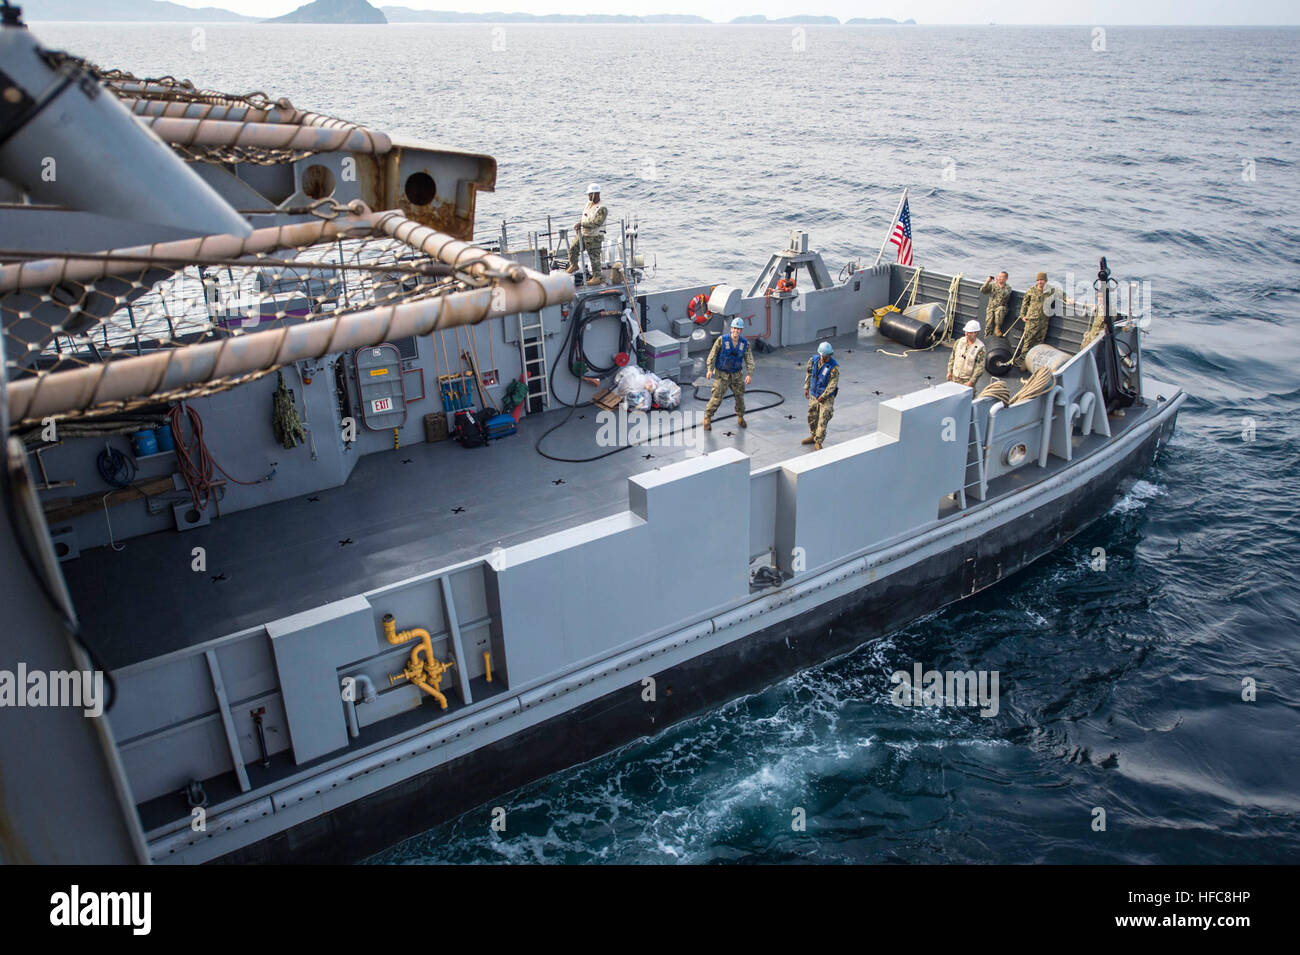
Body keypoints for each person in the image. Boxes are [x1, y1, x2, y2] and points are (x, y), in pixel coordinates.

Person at [703, 317, 754, 430]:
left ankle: (740, 416)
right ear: (731, 328)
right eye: (735, 328)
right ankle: (707, 417)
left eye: (739, 329)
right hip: (722, 375)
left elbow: (749, 358)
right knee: (717, 397)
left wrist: (749, 374)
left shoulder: (744, 344)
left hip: (736, 375)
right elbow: (713, 354)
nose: (736, 331)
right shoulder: (722, 340)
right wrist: (710, 369)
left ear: (741, 330)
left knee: (740, 397)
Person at [566, 183, 608, 284]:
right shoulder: (588, 204)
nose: (589, 196)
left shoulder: (602, 208)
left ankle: (597, 277)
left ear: (596, 194)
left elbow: (596, 223)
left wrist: (581, 224)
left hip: (594, 236)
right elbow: (585, 216)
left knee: (594, 257)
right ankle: (574, 265)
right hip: (584, 234)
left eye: (590, 194)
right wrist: (580, 226)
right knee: (573, 248)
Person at [1015, 270, 1057, 369]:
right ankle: (1023, 361)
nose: (1040, 282)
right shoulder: (1031, 291)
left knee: (1039, 342)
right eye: (1038, 280)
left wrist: (1067, 299)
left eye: (1042, 280)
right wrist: (1022, 316)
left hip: (1044, 321)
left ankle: (1033, 363)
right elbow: (1024, 304)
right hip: (1032, 320)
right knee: (1028, 341)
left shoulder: (1050, 291)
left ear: (1045, 281)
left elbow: (1060, 294)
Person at [802, 342, 839, 450]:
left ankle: (818, 441)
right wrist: (807, 387)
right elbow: (809, 373)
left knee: (823, 419)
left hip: (826, 397)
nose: (827, 358)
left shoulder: (833, 367)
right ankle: (813, 435)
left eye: (828, 356)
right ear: (821, 355)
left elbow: (833, 384)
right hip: (814, 393)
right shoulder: (813, 360)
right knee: (812, 416)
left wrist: (824, 396)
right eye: (825, 356)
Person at [947, 320, 986, 391]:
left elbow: (979, 368)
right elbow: (952, 357)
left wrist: (971, 382)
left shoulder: (980, 348)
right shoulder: (959, 342)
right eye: (966, 332)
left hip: (966, 381)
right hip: (954, 377)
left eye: (969, 332)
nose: (966, 334)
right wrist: (949, 371)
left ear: (976, 333)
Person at [979, 271, 1011, 337]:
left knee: (1000, 310)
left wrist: (999, 285)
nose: (999, 278)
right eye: (999, 277)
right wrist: (987, 282)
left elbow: (1004, 294)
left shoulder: (1008, 287)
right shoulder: (993, 285)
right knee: (988, 325)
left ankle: (997, 327)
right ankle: (987, 338)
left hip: (1001, 308)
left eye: (1001, 277)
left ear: (1006, 279)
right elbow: (983, 291)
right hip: (991, 308)